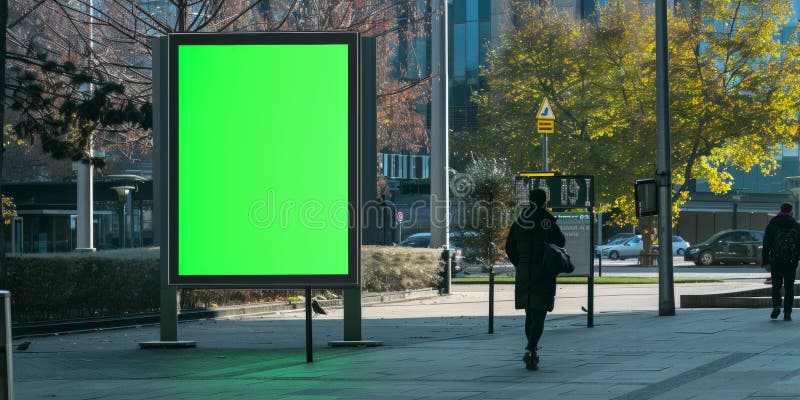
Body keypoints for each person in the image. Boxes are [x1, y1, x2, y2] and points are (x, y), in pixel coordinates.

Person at [505, 188, 565, 370]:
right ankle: (531, 349)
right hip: (543, 271)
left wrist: (520, 264)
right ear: (544, 201)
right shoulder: (547, 221)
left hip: (524, 272)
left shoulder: (519, 222)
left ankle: (532, 350)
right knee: (539, 313)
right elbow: (560, 242)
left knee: (529, 313)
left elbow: (509, 247)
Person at [762, 202, 800, 321]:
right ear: (791, 211)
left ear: (780, 210)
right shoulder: (796, 225)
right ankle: (787, 312)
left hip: (776, 260)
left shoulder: (772, 225)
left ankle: (777, 306)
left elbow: (766, 245)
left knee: (776, 285)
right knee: (789, 287)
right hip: (791, 261)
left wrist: (766, 261)